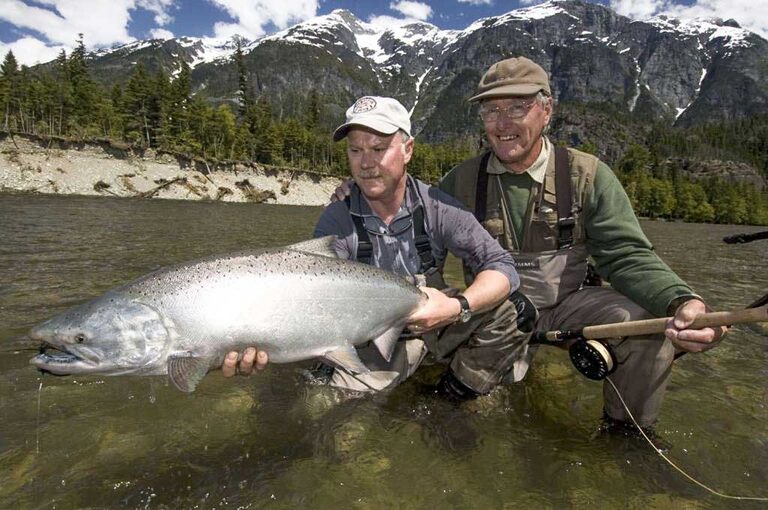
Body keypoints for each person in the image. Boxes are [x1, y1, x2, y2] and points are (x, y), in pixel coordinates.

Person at [438, 56, 726, 430]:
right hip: (491, 312)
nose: (503, 124)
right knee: (450, 408)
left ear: (546, 111)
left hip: (567, 306)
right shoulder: (458, 182)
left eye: (518, 108)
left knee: (648, 326)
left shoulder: (588, 175)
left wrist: (681, 300)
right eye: (492, 111)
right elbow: (415, 240)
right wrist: (360, 198)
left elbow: (626, 256)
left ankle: (626, 435)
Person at [223, 95, 533, 399]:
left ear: (407, 150)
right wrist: (256, 336)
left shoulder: (438, 207)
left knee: (515, 311)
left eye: (378, 148)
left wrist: (457, 307)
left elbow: (502, 267)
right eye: (355, 150)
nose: (366, 163)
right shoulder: (337, 218)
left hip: (436, 323)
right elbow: (310, 299)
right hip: (367, 340)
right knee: (326, 420)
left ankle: (452, 395)